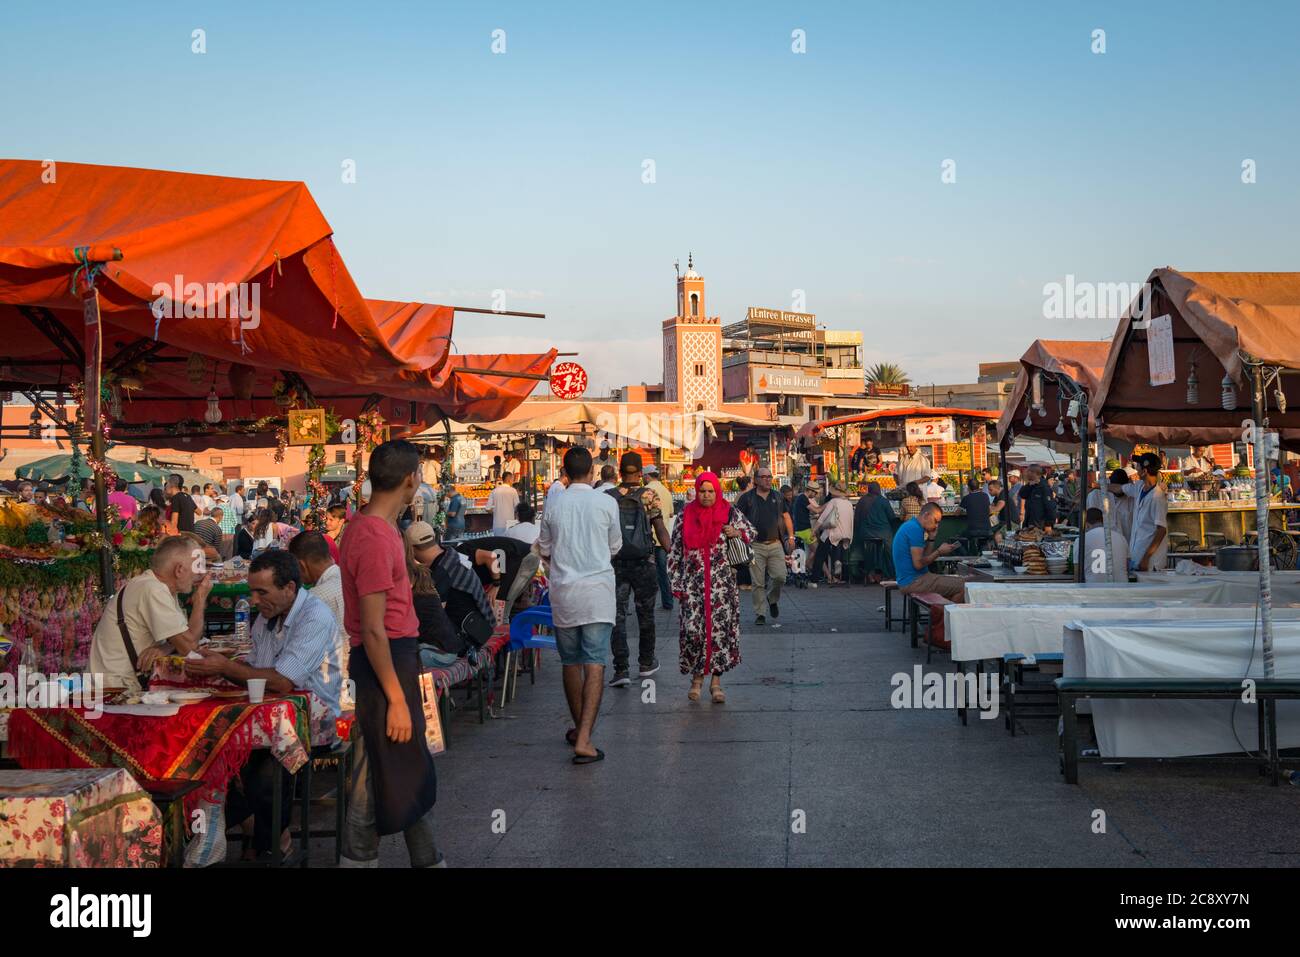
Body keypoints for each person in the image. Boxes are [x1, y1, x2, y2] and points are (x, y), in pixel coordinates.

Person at [186, 549, 343, 859]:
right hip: (266, 718)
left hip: (316, 722)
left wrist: (224, 668)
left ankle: (271, 841)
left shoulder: (315, 615)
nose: (254, 600)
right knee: (202, 752)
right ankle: (252, 825)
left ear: (289, 588)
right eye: (252, 592)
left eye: (262, 592)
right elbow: (256, 675)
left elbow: (283, 681)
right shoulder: (265, 619)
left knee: (266, 769)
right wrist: (216, 669)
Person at [337, 439, 441, 867]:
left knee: (398, 767)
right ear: (410, 479)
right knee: (375, 771)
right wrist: (397, 699)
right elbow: (375, 630)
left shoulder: (372, 529)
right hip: (385, 662)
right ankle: (362, 856)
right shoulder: (375, 537)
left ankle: (426, 858)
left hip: (392, 659)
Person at [536, 446, 622, 764]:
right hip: (597, 593)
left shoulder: (554, 505)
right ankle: (584, 738)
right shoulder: (606, 502)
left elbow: (543, 547)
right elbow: (615, 545)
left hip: (564, 594)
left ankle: (578, 728)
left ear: (565, 471)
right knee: (595, 662)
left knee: (570, 662)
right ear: (593, 471)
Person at [668, 471, 754, 704]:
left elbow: (751, 532)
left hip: (722, 586)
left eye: (710, 491)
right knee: (694, 631)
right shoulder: (685, 516)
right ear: (696, 492)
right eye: (702, 491)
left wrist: (737, 532)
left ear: (717, 492)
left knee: (719, 632)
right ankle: (696, 679)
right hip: (693, 586)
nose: (706, 496)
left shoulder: (729, 512)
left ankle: (716, 682)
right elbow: (675, 552)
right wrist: (676, 583)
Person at [88, 535, 211, 691]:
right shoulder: (153, 589)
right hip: (113, 689)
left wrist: (163, 648)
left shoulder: (154, 585)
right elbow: (189, 646)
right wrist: (200, 599)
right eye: (197, 568)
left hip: (120, 682)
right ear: (179, 570)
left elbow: (180, 639)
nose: (200, 575)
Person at [606, 452, 670, 685]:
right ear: (640, 473)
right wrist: (671, 552)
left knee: (617, 615)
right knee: (646, 614)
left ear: (619, 472)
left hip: (616, 564)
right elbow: (660, 529)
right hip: (644, 563)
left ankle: (621, 669)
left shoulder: (608, 497)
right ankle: (645, 662)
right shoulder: (649, 495)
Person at [288, 530, 351, 709]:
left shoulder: (315, 597)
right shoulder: (349, 579)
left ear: (301, 565)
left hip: (331, 686)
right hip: (355, 678)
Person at [407, 522, 495, 643]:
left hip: (472, 637)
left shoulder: (442, 571)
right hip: (484, 625)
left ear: (411, 549)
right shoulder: (450, 554)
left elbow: (434, 616)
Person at [735, 466, 794, 625]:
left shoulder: (778, 496)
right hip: (756, 545)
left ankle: (772, 598)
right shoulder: (747, 498)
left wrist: (791, 537)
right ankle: (760, 613)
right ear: (756, 480)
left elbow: (786, 516)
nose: (768, 479)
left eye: (770, 476)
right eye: (764, 477)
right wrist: (740, 535)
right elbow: (737, 518)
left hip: (775, 544)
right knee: (758, 582)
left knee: (780, 576)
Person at [892, 502, 965, 602]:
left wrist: (931, 539)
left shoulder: (912, 525)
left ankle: (943, 613)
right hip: (914, 581)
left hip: (914, 579)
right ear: (926, 515)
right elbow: (918, 564)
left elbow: (924, 557)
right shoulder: (915, 529)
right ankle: (947, 616)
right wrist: (939, 552)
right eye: (936, 521)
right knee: (964, 586)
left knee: (955, 585)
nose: (936, 526)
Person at [1111, 452, 1168, 572]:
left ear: (1145, 471)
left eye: (1138, 466)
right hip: (1137, 556)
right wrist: (1097, 485)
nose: (1136, 469)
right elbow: (1119, 488)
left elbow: (1161, 530)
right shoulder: (1139, 487)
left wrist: (1146, 558)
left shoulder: (1157, 497)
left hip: (1151, 562)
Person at [643, 463, 676, 611]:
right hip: (664, 538)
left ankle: (648, 603)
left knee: (649, 574)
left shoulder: (647, 491)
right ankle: (668, 601)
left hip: (650, 538)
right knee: (663, 573)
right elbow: (670, 514)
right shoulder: (666, 491)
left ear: (647, 476)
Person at [810, 483, 853, 586]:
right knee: (839, 553)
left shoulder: (833, 502)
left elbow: (822, 518)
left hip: (833, 532)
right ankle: (840, 575)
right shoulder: (849, 503)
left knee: (820, 554)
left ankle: (814, 581)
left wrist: (813, 530)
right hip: (846, 534)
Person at [854, 481, 898, 579]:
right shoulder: (883, 501)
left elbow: (856, 519)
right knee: (889, 551)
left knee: (869, 550)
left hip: (865, 534)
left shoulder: (862, 501)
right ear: (878, 490)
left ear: (869, 490)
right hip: (884, 533)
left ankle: (870, 572)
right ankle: (891, 574)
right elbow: (892, 517)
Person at [1073, 507, 1129, 582]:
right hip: (1123, 590)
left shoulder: (1081, 541)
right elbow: (1127, 566)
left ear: (1086, 524)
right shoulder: (1121, 538)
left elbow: (1077, 575)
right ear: (1103, 521)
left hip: (1094, 591)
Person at [960, 477, 994, 552]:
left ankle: (969, 554)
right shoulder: (985, 496)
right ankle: (983, 553)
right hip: (987, 530)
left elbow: (957, 512)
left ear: (969, 488)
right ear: (978, 486)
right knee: (983, 541)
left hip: (972, 530)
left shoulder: (967, 498)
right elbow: (989, 510)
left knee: (959, 536)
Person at [1017, 466, 1055, 531]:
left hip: (1040, 524)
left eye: (1028, 472)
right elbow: (1022, 495)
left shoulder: (1044, 487)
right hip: (1029, 522)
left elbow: (1050, 507)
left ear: (1035, 474)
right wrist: (1029, 485)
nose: (1026, 474)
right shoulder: (1031, 485)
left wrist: (1048, 524)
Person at [791, 482, 814, 547]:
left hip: (800, 528)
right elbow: (817, 510)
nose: (816, 495)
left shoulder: (802, 497)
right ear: (811, 491)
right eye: (815, 493)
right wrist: (829, 504)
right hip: (804, 529)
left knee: (808, 551)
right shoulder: (803, 498)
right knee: (816, 550)